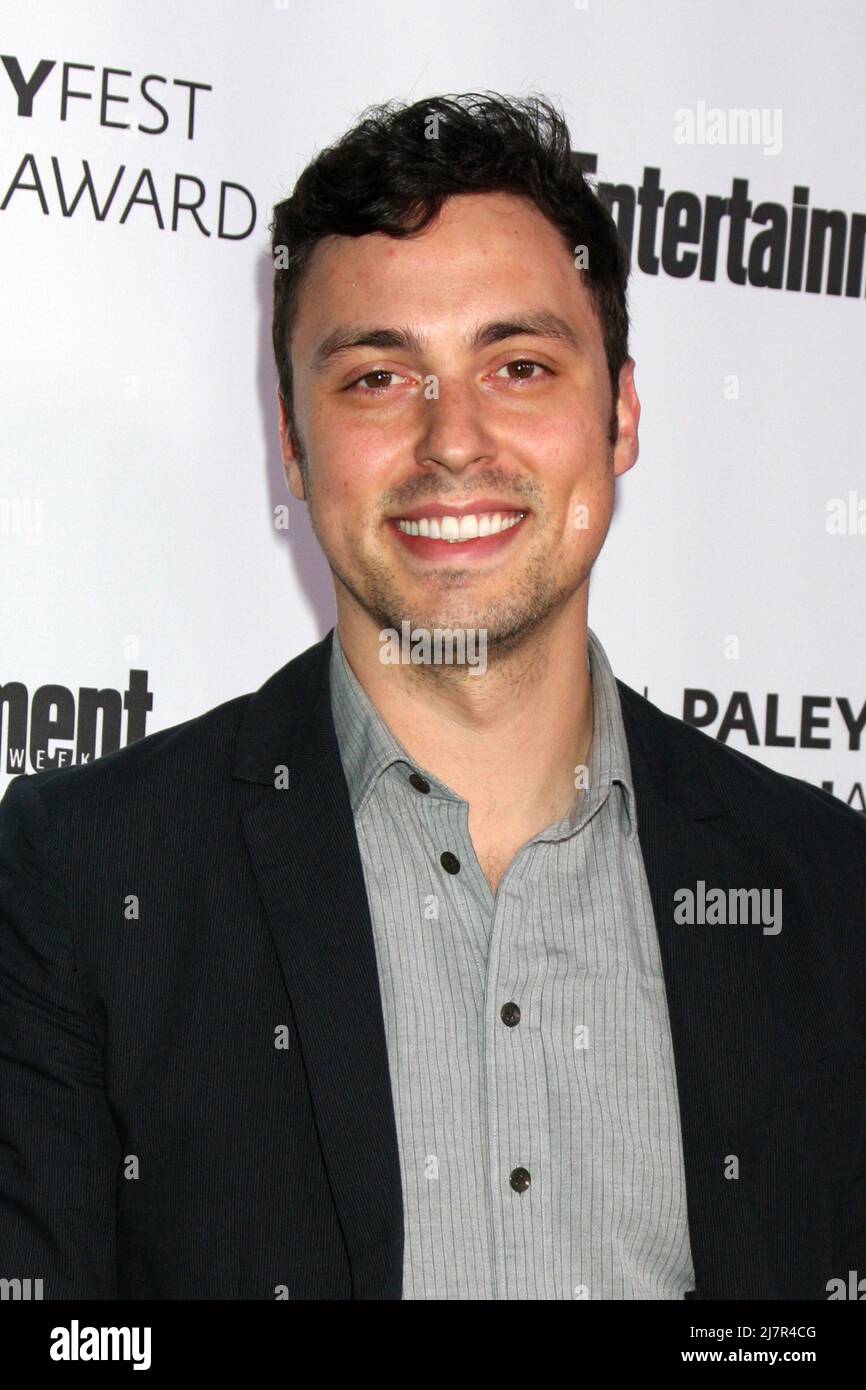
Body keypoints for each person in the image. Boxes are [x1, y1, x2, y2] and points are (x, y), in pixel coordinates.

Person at [1, 93, 863, 1302]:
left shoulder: (827, 893)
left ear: (617, 413)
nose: (452, 440)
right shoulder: (76, 881)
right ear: (292, 450)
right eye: (375, 377)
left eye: (518, 366)